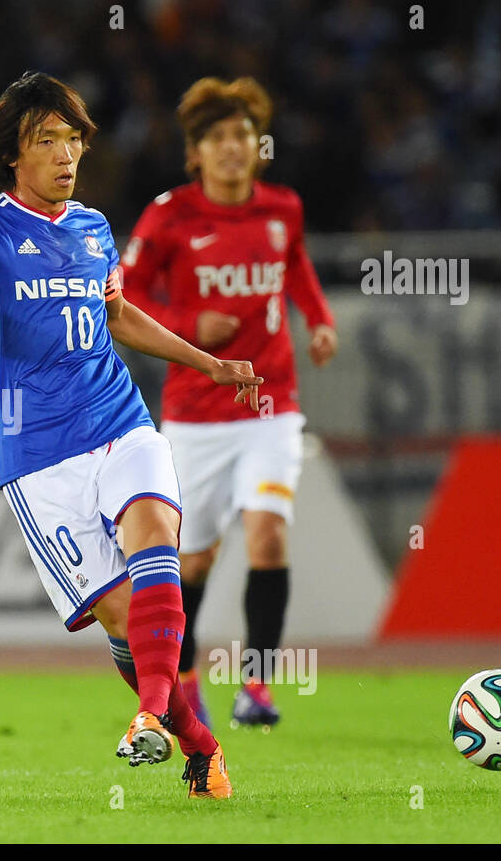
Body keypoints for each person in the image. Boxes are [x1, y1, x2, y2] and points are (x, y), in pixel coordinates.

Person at [0, 72, 264, 798]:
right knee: (122, 616)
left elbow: (117, 316)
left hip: (119, 419)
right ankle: (201, 744)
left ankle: (149, 716)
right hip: (40, 458)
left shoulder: (93, 228)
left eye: (73, 140)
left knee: (155, 534)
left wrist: (210, 363)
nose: (66, 156)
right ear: (12, 153)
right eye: (47, 141)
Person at [121, 78, 338, 730]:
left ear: (258, 145)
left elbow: (294, 264)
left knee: (268, 534)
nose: (232, 147)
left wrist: (319, 319)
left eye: (242, 133)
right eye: (216, 137)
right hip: (195, 415)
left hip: (272, 407)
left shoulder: (283, 209)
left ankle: (258, 687)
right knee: (192, 560)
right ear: (195, 154)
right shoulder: (169, 217)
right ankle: (186, 682)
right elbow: (123, 298)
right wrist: (189, 322)